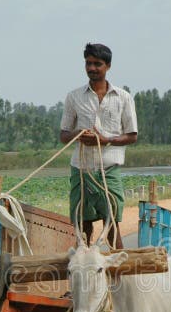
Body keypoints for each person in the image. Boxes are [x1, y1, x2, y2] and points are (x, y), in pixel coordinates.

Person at [59, 42, 138, 249]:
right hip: (81, 169)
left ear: (108, 66)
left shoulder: (123, 97)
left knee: (112, 224)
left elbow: (131, 135)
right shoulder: (74, 97)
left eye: (97, 64)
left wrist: (106, 140)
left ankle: (119, 276)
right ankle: (84, 272)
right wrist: (77, 134)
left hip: (109, 170)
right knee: (82, 226)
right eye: (88, 63)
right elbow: (64, 134)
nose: (92, 68)